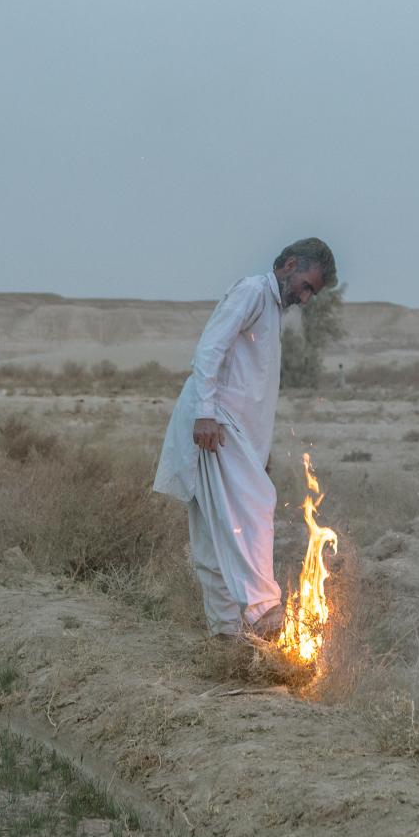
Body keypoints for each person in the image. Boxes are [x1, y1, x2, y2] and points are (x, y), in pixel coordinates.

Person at [153, 238, 338, 641]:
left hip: (231, 433)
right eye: (306, 286)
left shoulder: (270, 309)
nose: (306, 298)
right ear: (289, 264)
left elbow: (255, 386)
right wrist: (204, 412)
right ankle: (266, 618)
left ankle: (225, 639)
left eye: (313, 293)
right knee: (254, 514)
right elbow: (209, 350)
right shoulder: (253, 291)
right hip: (216, 426)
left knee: (214, 535)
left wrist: (261, 450)